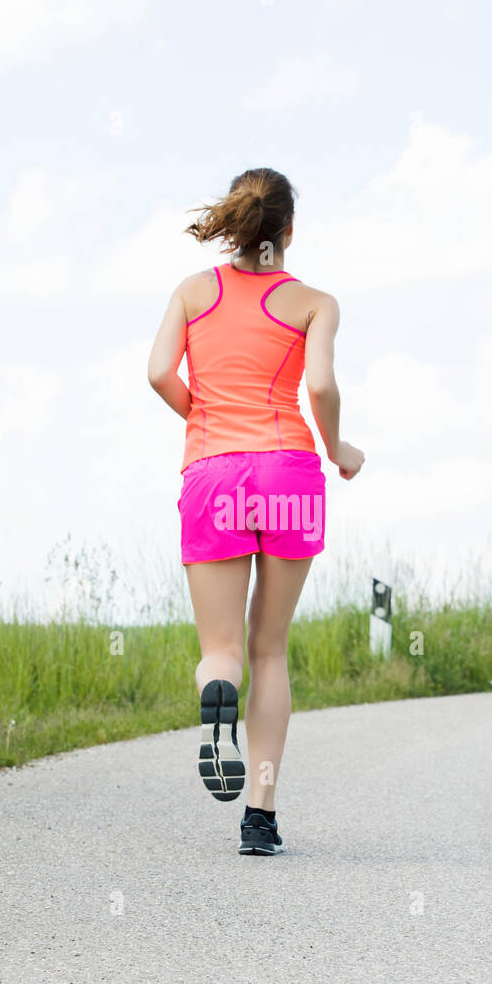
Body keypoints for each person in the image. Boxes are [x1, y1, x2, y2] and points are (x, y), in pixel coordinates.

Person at [148, 167, 364, 854]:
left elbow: (157, 372)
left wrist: (202, 420)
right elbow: (322, 384)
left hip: (214, 472)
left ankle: (217, 694)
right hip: (289, 471)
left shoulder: (191, 292)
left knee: (223, 649)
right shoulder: (314, 302)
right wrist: (339, 450)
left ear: (235, 224)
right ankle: (260, 817)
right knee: (271, 648)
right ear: (288, 231)